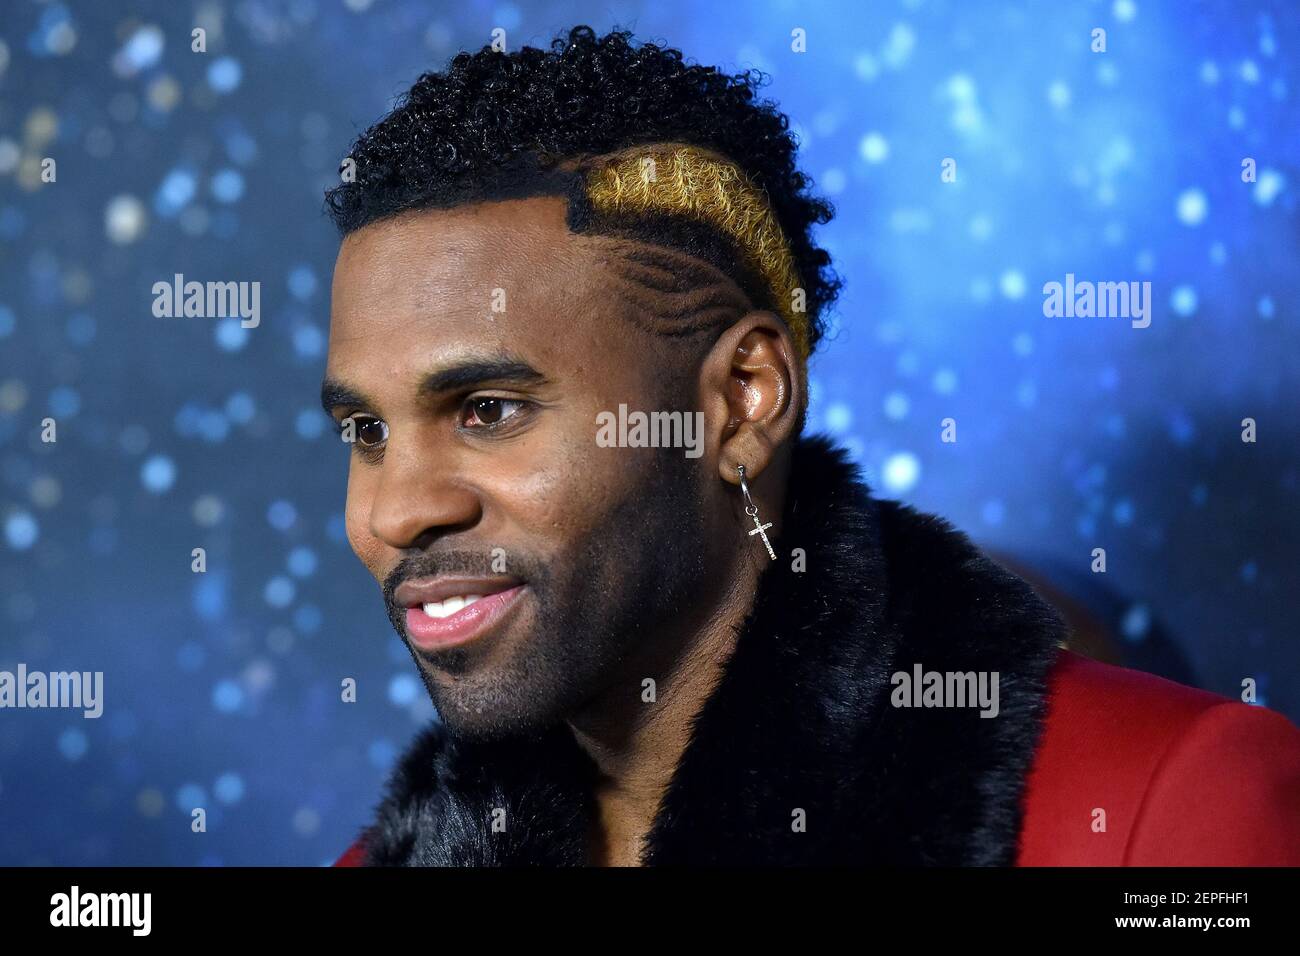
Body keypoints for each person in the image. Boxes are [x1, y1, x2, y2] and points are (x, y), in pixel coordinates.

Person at [321, 27, 1300, 866]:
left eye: (488, 409)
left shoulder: (1169, 805)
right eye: (365, 429)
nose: (393, 510)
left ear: (744, 400)